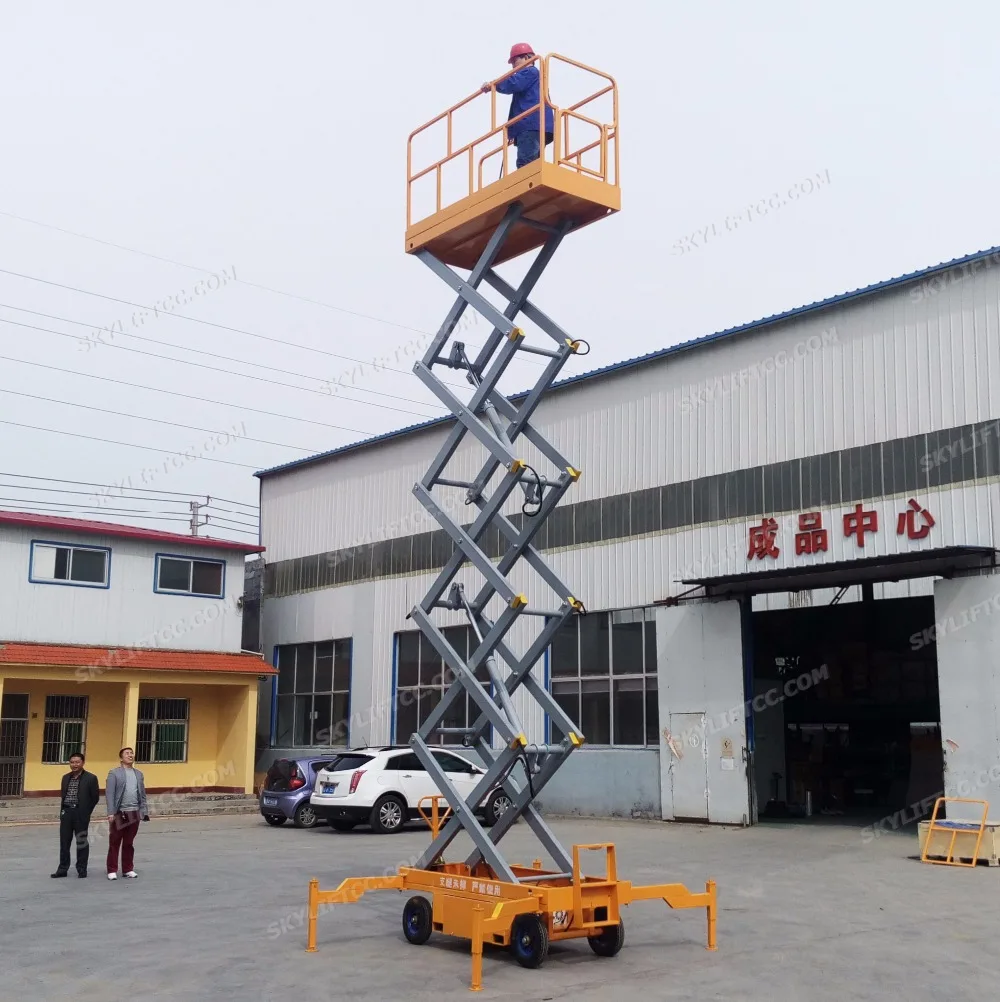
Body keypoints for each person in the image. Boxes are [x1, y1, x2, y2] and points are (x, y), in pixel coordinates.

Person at [482, 42, 554, 170]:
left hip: (530, 125)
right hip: (535, 125)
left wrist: (494, 85)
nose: (513, 66)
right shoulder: (536, 77)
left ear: (526, 57)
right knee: (534, 164)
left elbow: (513, 83)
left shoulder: (530, 72)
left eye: (515, 61)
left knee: (525, 164)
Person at [50, 752, 100, 878]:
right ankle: (62, 869)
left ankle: (82, 869)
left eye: (77, 762)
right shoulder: (66, 777)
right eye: (72, 762)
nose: (74, 765)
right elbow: (63, 795)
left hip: (81, 814)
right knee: (64, 843)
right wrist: (63, 812)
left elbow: (95, 798)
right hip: (67, 813)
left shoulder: (91, 778)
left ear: (83, 763)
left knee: (81, 842)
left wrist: (86, 811)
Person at [105, 746, 149, 880]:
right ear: (121, 758)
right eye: (127, 753)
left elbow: (142, 794)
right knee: (115, 842)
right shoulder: (114, 773)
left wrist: (143, 811)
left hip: (134, 812)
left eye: (131, 753)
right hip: (120, 813)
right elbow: (110, 794)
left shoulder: (139, 774)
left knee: (129, 843)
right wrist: (111, 812)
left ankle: (128, 869)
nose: (130, 755)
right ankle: (112, 869)